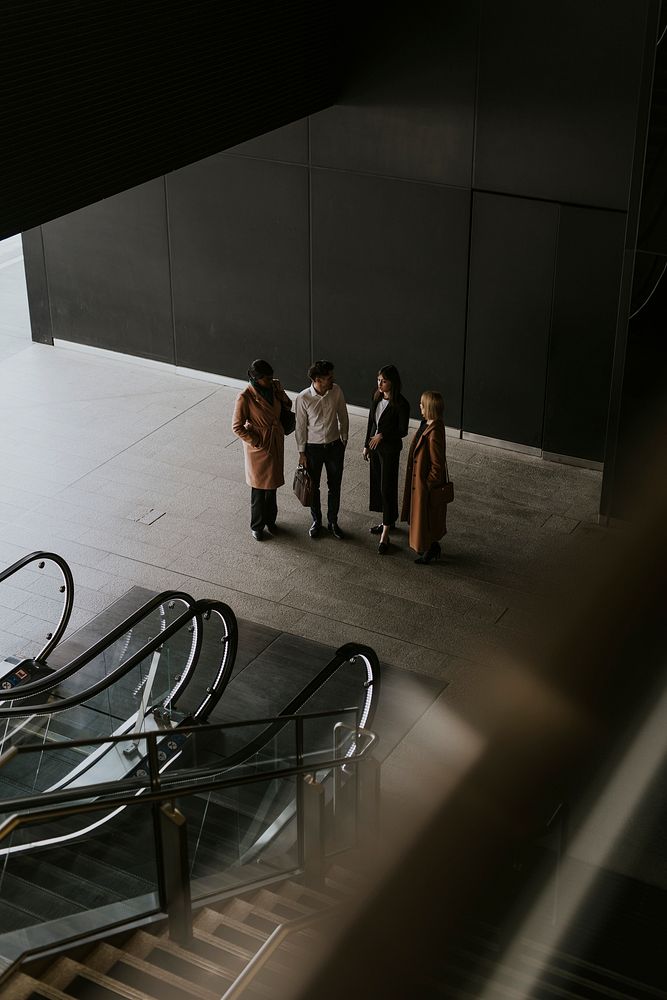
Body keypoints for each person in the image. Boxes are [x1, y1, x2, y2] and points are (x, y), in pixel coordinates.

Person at [232, 359, 292, 541]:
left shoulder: (274, 389)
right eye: (267, 378)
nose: (270, 380)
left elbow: (287, 406)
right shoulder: (245, 397)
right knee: (258, 489)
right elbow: (237, 426)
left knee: (272, 486)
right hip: (259, 447)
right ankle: (257, 525)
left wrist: (280, 392)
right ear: (256, 378)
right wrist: (256, 440)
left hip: (274, 441)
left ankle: (271, 521)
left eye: (271, 377)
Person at [295, 360, 349, 539]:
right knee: (314, 487)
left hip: (334, 447)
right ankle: (316, 521)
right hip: (313, 449)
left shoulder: (336, 391)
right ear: (317, 379)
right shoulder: (303, 398)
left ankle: (333, 522)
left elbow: (343, 415)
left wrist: (344, 439)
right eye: (328, 378)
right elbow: (300, 427)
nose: (332, 380)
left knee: (335, 486)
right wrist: (302, 453)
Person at [363, 365, 410, 554]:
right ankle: (386, 521)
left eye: (384, 380)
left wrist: (382, 435)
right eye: (378, 380)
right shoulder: (376, 397)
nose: (380, 384)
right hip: (375, 448)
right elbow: (370, 422)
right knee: (378, 485)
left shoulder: (401, 404)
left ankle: (386, 533)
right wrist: (366, 444)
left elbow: (402, 431)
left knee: (387, 487)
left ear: (393, 382)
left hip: (389, 450)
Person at [401, 390, 448, 564]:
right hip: (419, 481)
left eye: (422, 403)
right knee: (425, 516)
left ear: (429, 407)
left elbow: (438, 463)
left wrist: (427, 484)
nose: (419, 406)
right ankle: (431, 547)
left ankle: (430, 548)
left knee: (426, 517)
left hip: (424, 484)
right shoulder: (427, 424)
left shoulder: (434, 432)